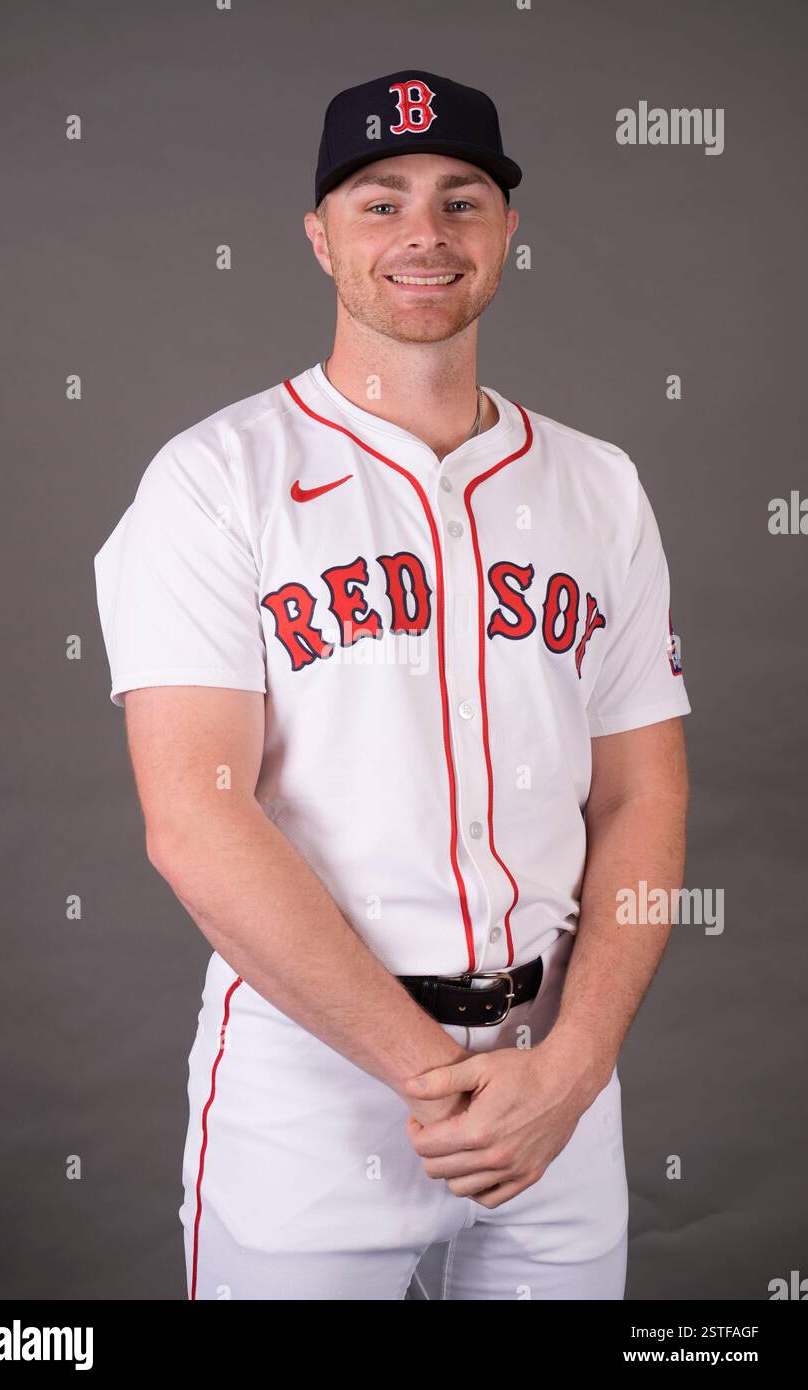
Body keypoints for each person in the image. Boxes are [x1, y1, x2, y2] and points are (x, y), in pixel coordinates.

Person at [93, 69, 691, 1301]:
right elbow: (195, 820)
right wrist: (441, 1080)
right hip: (312, 1079)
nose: (424, 232)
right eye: (379, 201)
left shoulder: (598, 485)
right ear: (320, 237)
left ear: (505, 233)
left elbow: (642, 796)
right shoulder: (215, 479)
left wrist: (570, 1068)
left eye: (460, 199)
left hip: (554, 1071)